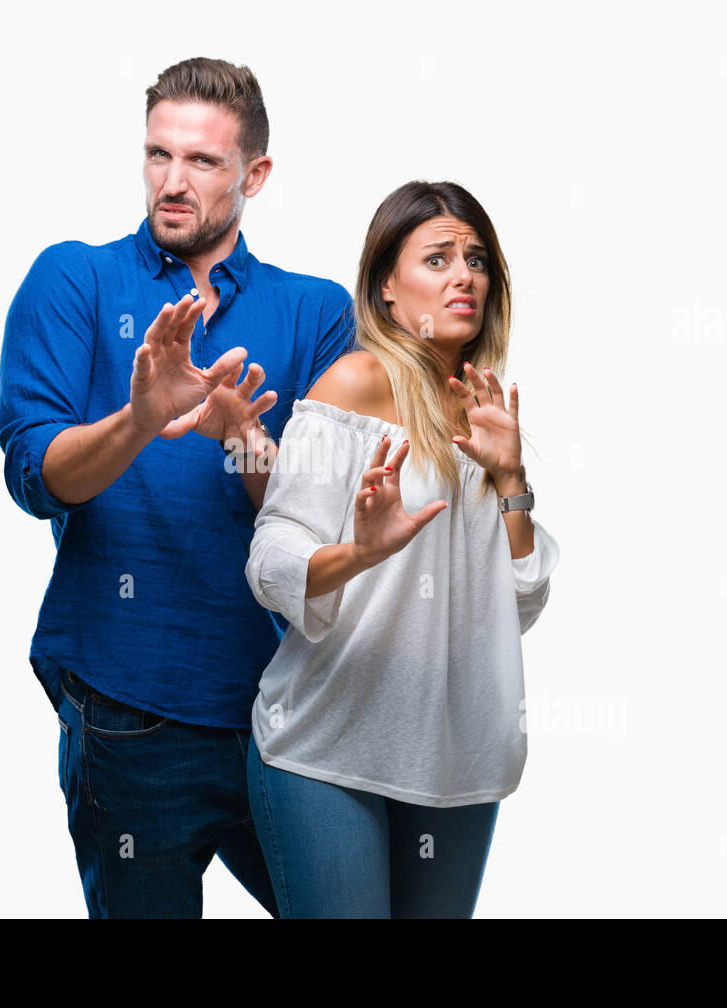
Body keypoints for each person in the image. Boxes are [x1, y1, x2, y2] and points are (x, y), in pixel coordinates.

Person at [0, 58, 355, 918]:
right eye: (159, 155)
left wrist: (244, 441)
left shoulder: (315, 312)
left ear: (255, 174)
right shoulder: (73, 279)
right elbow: (35, 477)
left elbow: (323, 525)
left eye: (201, 162)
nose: (173, 182)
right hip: (129, 707)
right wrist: (137, 417)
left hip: (287, 711)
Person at [244, 180, 561, 918]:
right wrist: (359, 551)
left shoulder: (483, 412)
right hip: (327, 746)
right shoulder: (355, 385)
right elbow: (271, 558)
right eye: (439, 258)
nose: (464, 276)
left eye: (477, 260)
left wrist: (510, 477)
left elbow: (521, 601)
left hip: (455, 758)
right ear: (387, 287)